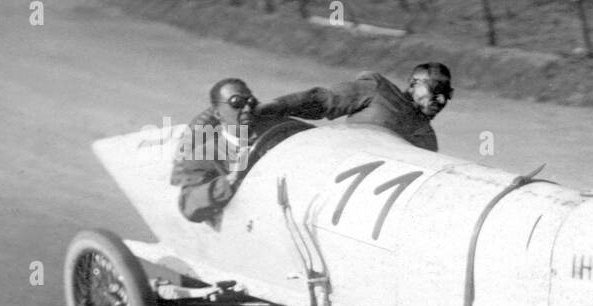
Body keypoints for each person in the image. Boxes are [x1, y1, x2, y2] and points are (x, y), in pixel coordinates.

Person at [254, 63, 452, 151]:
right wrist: (273, 107)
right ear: (413, 84)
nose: (441, 100)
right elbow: (322, 101)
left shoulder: (427, 140)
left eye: (447, 94)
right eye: (435, 89)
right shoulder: (378, 91)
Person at [171, 78, 259, 225]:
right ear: (218, 114)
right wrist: (230, 180)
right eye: (236, 103)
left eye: (251, 102)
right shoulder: (203, 155)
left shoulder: (275, 135)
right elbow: (189, 205)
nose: (247, 109)